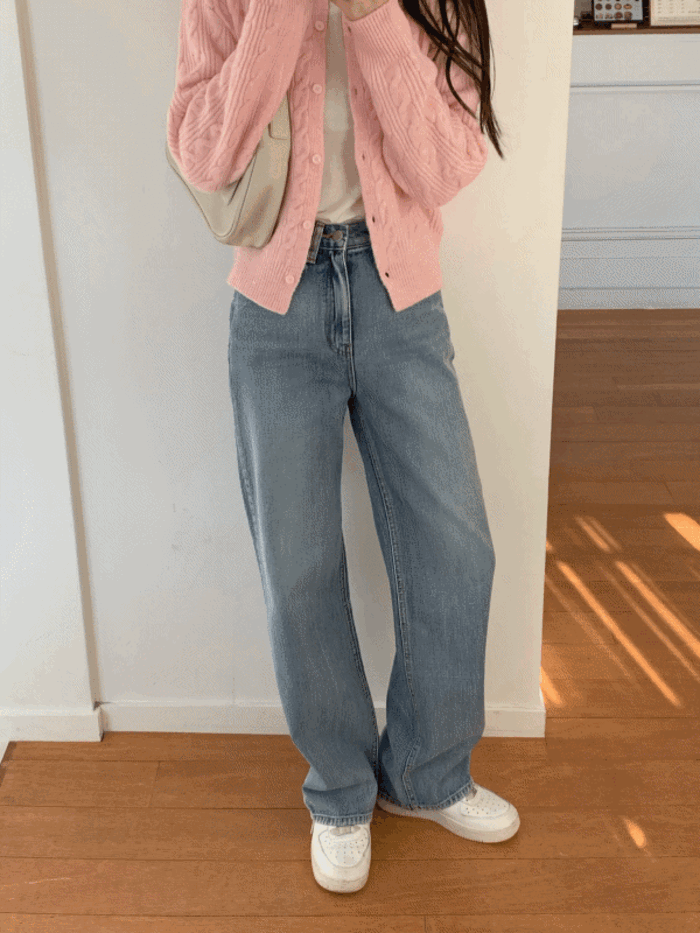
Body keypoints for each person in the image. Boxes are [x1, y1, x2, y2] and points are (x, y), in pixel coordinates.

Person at [167, 0, 518, 894]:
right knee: (299, 567)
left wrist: (369, 15)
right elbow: (204, 149)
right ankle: (340, 792)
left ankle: (427, 772)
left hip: (401, 298)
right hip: (276, 306)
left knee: (457, 550)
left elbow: (447, 164)